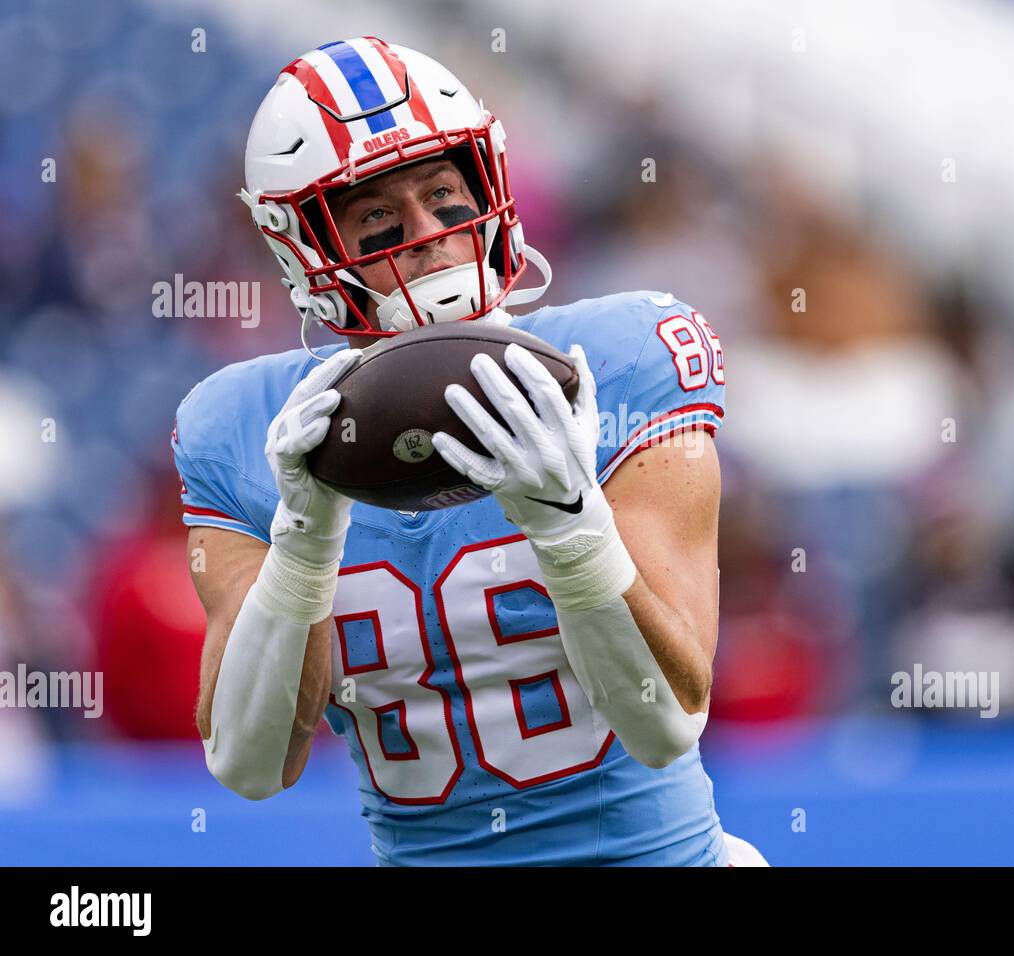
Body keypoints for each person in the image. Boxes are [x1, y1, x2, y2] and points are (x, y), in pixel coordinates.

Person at [171, 37, 766, 866]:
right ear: (301, 246)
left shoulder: (624, 359)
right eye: (378, 217)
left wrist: (568, 525)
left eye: (445, 194)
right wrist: (302, 544)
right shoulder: (244, 424)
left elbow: (665, 722)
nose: (429, 235)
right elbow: (250, 764)